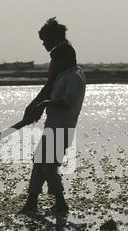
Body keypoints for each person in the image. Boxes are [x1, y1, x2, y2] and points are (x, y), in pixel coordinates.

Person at [19, 17, 86, 216]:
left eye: (55, 60)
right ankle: (31, 203)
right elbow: (48, 88)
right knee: (39, 161)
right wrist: (33, 107)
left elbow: (65, 104)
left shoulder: (74, 77)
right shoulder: (62, 75)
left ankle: (61, 204)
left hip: (62, 129)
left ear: (63, 59)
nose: (44, 46)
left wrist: (43, 104)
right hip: (53, 126)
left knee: (48, 166)